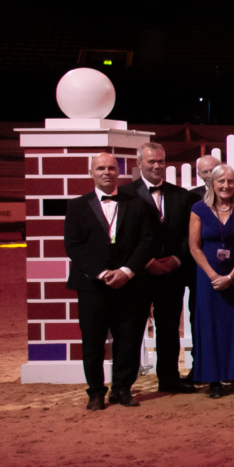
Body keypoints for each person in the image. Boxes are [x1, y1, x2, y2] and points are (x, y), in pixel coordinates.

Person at [65, 152, 156, 410]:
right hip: (92, 286)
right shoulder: (76, 206)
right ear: (91, 173)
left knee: (129, 339)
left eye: (112, 168)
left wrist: (126, 271)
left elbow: (148, 241)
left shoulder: (138, 204)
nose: (107, 172)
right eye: (101, 168)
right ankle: (95, 392)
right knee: (93, 342)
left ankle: (122, 389)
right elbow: (73, 246)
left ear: (119, 172)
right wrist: (102, 273)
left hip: (131, 285)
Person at [120, 141, 195, 393]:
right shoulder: (125, 194)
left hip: (171, 275)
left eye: (160, 161)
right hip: (138, 275)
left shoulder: (181, 195)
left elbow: (188, 233)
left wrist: (177, 259)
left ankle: (169, 380)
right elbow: (123, 236)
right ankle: (123, 386)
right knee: (131, 331)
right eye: (151, 161)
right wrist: (146, 261)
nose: (156, 166)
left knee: (169, 330)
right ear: (139, 163)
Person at [189, 164, 234, 399]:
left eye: (230, 181)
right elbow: (194, 247)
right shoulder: (198, 209)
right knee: (210, 325)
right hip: (208, 277)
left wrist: (232, 275)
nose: (226, 186)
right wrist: (212, 275)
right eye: (221, 181)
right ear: (212, 183)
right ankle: (214, 379)